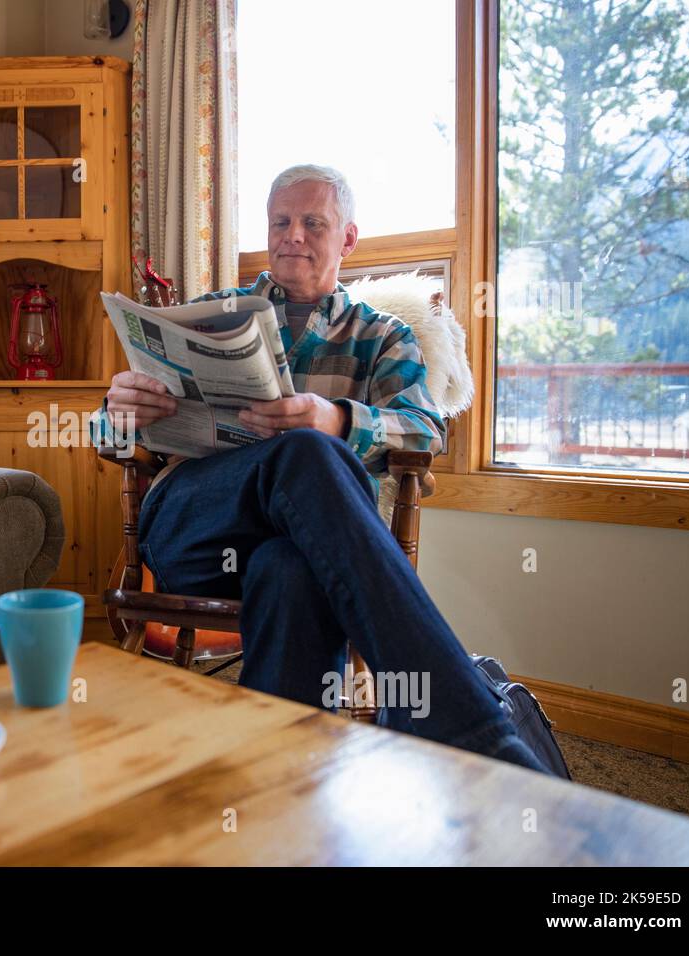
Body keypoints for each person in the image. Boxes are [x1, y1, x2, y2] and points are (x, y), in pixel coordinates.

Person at [93, 164, 548, 773]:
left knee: (290, 567)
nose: (293, 236)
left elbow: (426, 430)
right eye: (281, 222)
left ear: (349, 239)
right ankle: (471, 730)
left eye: (313, 223)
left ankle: (279, 780)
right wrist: (119, 410)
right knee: (303, 456)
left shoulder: (384, 337)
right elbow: (102, 433)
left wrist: (336, 420)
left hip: (308, 549)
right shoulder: (208, 315)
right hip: (194, 530)